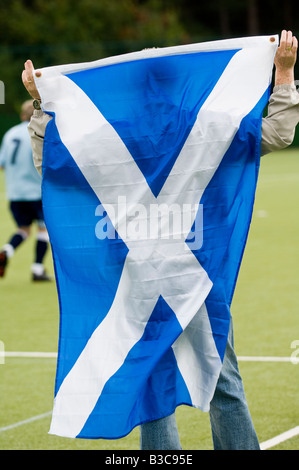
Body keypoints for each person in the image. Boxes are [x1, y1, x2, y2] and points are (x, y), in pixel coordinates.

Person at [21, 30, 298, 449]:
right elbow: (278, 133)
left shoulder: (110, 137)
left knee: (152, 381)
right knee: (221, 376)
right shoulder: (209, 127)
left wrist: (42, 104)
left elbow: (53, 168)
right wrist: (283, 74)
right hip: (194, 273)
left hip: (133, 276)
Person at [0, 100, 52, 281]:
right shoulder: (39, 132)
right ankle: (37, 269)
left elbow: (3, 164)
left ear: (22, 115)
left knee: (23, 229)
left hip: (15, 193)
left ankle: (6, 251)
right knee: (43, 230)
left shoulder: (9, 134)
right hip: (37, 192)